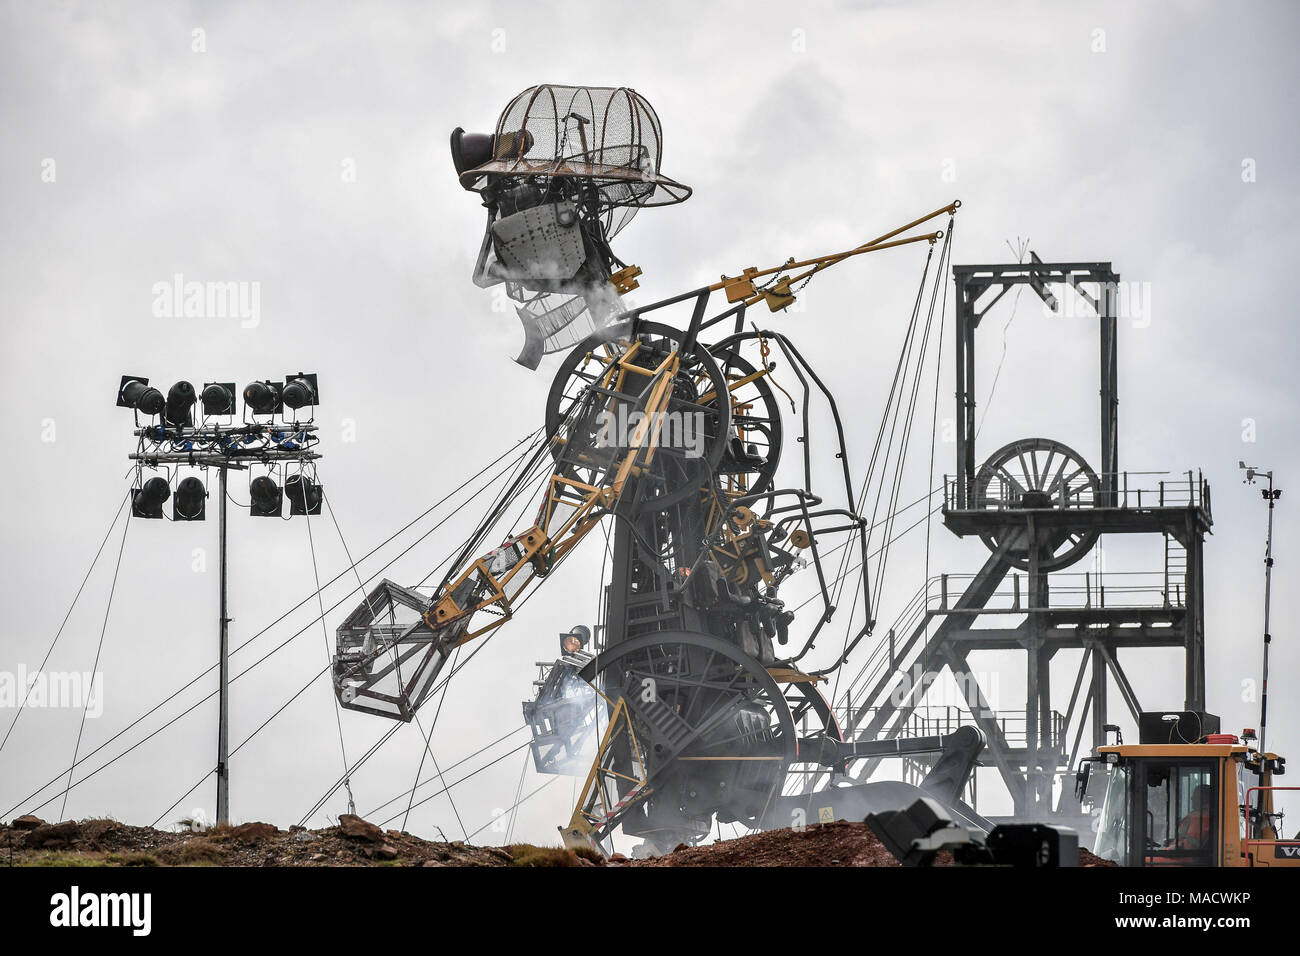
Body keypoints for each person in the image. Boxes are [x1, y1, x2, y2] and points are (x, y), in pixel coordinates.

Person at [1176, 784, 1212, 850]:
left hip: (1186, 857)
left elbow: (1189, 846)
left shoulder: (1199, 818)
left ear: (1202, 798)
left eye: (1195, 795)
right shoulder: (1203, 815)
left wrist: (1170, 848)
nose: (1191, 798)